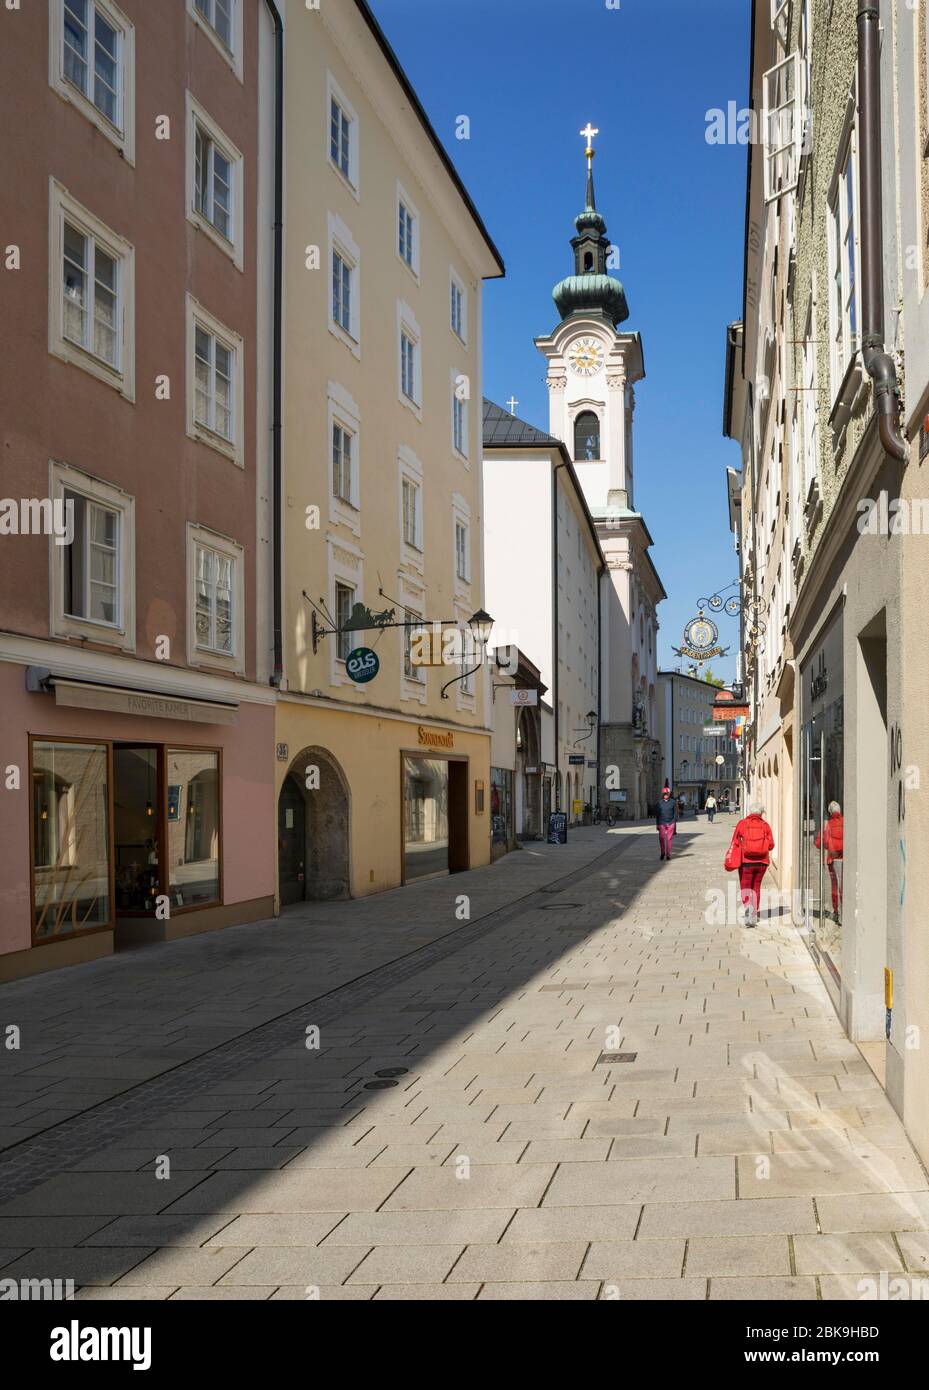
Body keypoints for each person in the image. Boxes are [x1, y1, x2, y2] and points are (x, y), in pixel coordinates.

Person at [730, 802, 775, 926]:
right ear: (761, 813)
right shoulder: (765, 825)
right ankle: (754, 913)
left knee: (745, 887)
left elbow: (735, 841)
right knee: (756, 887)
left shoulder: (742, 824)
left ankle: (748, 907)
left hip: (746, 862)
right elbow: (771, 845)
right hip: (762, 862)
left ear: (750, 812)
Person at [815, 801, 844, 921]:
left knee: (835, 886)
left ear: (830, 812)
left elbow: (820, 843)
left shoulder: (829, 825)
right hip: (845, 858)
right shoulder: (845, 822)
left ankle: (836, 912)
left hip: (833, 859)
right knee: (844, 885)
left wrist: (829, 845)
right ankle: (845, 911)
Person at [656, 786, 677, 861]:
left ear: (669, 794)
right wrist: (657, 824)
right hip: (661, 822)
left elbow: (675, 813)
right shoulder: (659, 803)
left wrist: (674, 822)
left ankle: (668, 854)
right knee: (661, 838)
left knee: (669, 839)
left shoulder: (673, 802)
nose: (666, 795)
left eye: (667, 794)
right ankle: (662, 852)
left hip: (671, 822)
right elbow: (657, 814)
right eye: (664, 794)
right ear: (662, 794)